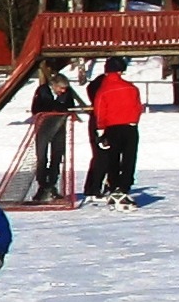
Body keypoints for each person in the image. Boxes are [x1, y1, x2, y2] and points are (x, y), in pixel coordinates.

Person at [84, 56, 144, 207]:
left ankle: (114, 186)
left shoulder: (103, 89)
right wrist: (133, 120)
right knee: (129, 158)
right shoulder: (131, 88)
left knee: (113, 159)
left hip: (112, 128)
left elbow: (99, 110)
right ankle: (124, 187)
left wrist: (100, 128)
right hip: (130, 126)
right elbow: (138, 107)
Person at [29, 65, 83, 201]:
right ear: (54, 85)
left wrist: (62, 109)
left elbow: (69, 106)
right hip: (44, 127)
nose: (63, 91)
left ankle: (52, 184)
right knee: (42, 158)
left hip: (59, 127)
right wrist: (53, 108)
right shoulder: (42, 90)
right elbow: (36, 108)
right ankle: (42, 185)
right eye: (61, 88)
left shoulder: (67, 94)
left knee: (57, 157)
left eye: (65, 89)